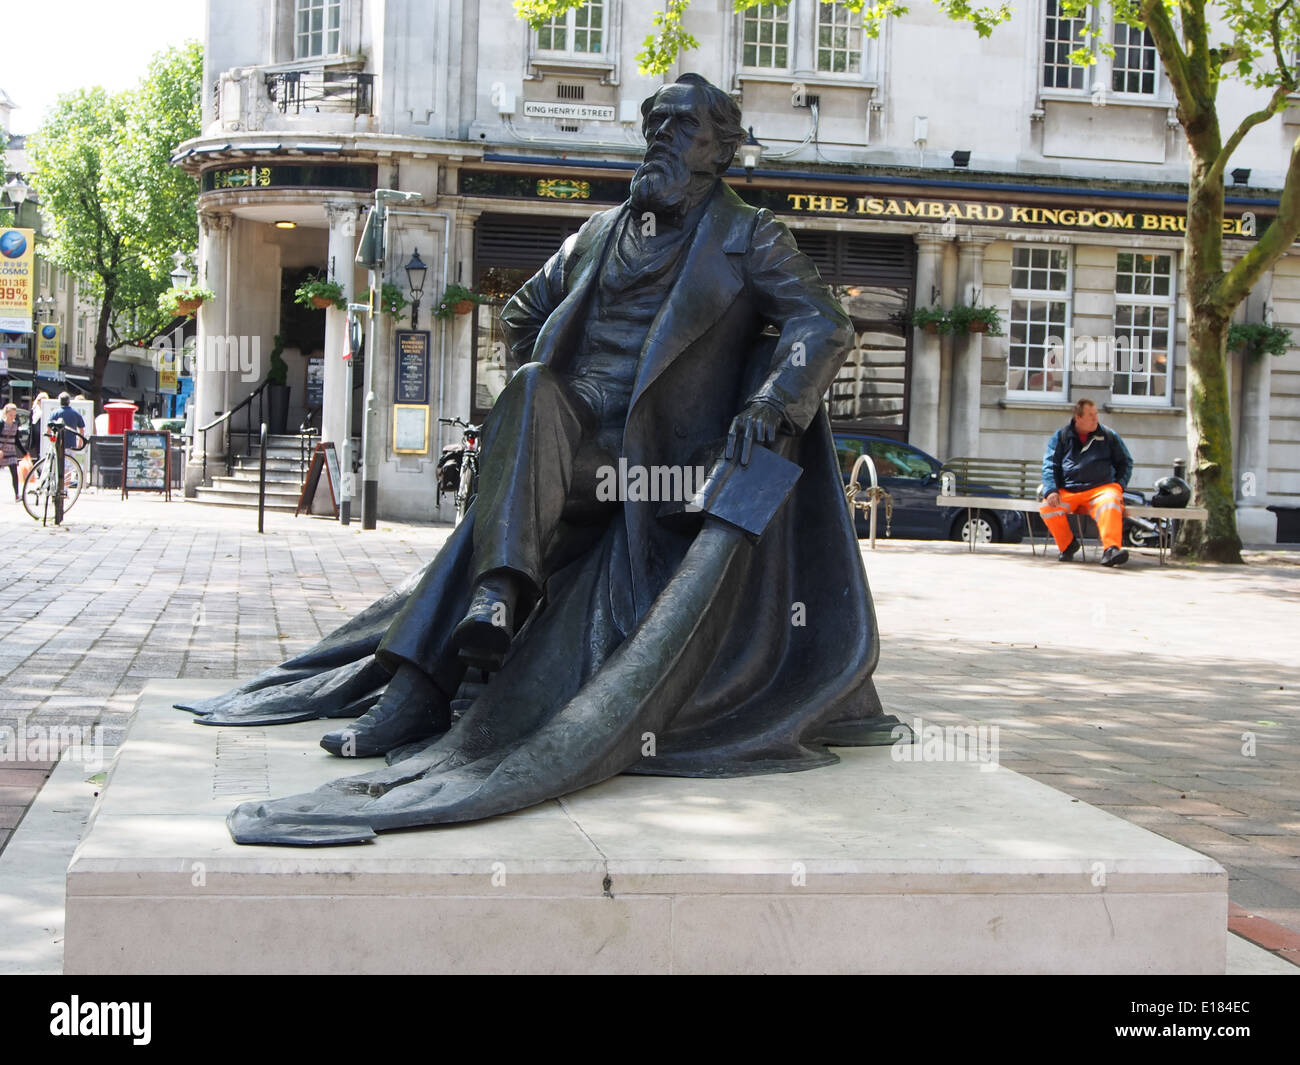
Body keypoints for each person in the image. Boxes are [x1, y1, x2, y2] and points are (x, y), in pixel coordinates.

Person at [183, 73, 898, 845]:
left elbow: (821, 325)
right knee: (529, 393)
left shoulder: (749, 234)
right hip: (578, 435)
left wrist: (767, 403)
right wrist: (561, 364)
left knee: (509, 484)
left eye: (682, 125)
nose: (660, 134)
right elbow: (522, 314)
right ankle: (490, 603)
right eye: (655, 121)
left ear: (718, 151)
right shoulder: (599, 233)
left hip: (663, 465)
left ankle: (427, 679)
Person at [1040, 398, 1134, 567]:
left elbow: (1125, 462)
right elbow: (1049, 466)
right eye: (1090, 415)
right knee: (1048, 507)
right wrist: (1051, 490)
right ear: (1078, 417)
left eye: (1096, 414)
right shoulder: (1061, 437)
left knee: (1110, 502)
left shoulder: (1108, 436)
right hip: (1069, 491)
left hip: (1101, 490)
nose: (1095, 418)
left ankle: (1111, 550)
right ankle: (1067, 545)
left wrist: (1119, 485)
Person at [0, 403, 26, 501]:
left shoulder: (15, 425)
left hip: (11, 453)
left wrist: (24, 452)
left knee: (15, 474)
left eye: (14, 415)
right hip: (1, 453)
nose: (13, 417)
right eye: (11, 415)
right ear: (6, 414)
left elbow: (16, 440)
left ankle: (17, 495)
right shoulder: (1, 424)